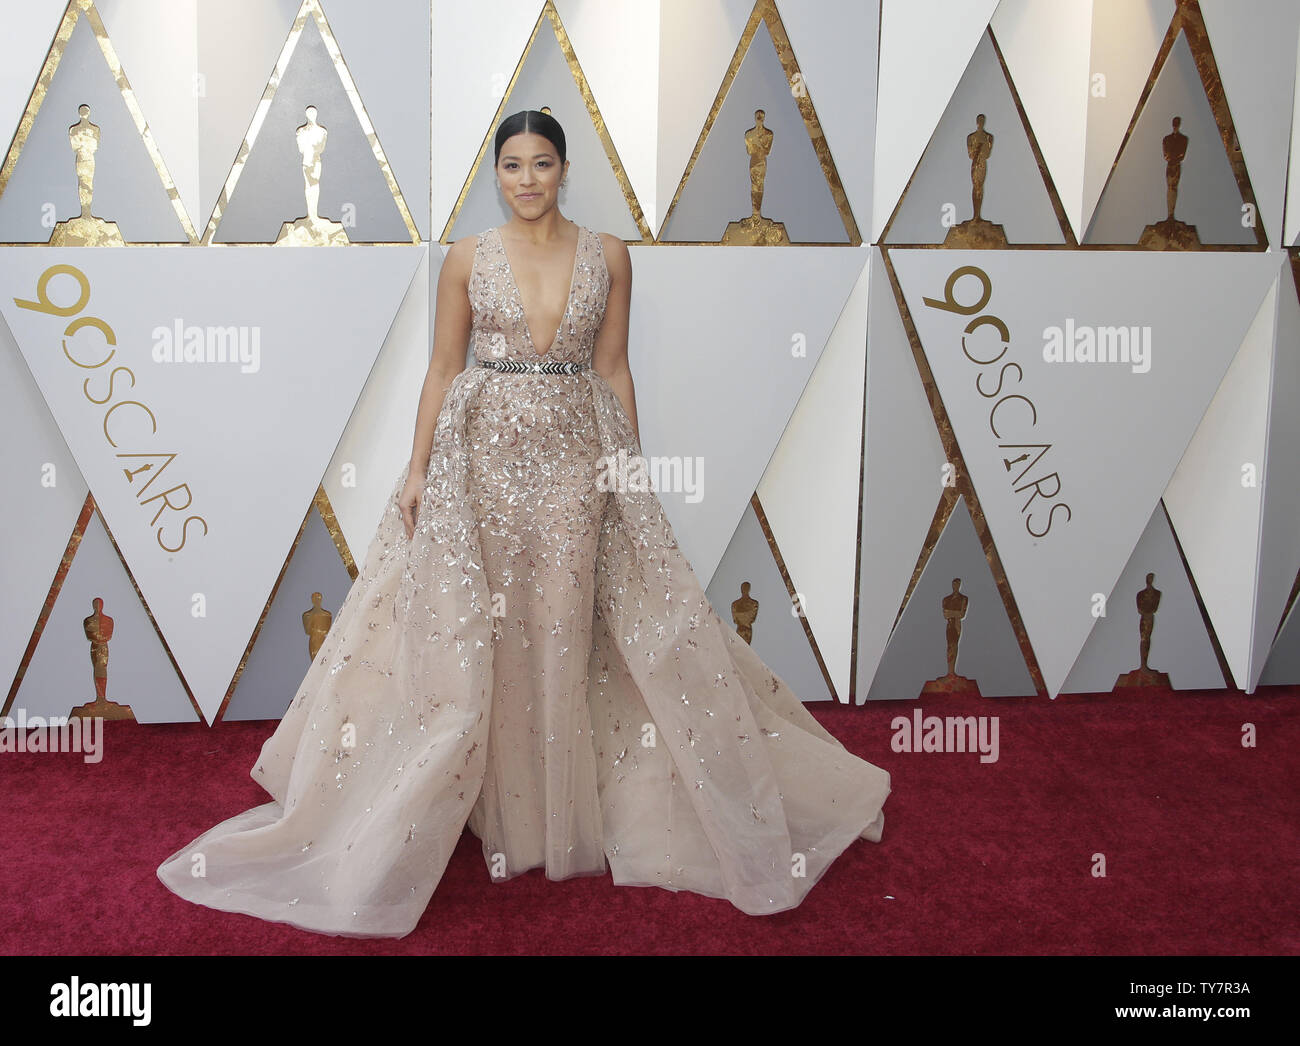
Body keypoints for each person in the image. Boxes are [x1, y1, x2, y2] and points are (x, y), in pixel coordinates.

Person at [156, 109, 891, 939]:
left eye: (542, 163)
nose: (528, 179)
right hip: (483, 460)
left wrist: (630, 475)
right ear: (495, 174)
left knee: (568, 620)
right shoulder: (467, 258)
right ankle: (479, 803)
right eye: (512, 165)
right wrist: (421, 467)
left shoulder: (609, 254)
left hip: (579, 453)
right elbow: (442, 367)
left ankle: (553, 806)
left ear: (563, 169)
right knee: (476, 632)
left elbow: (612, 367)